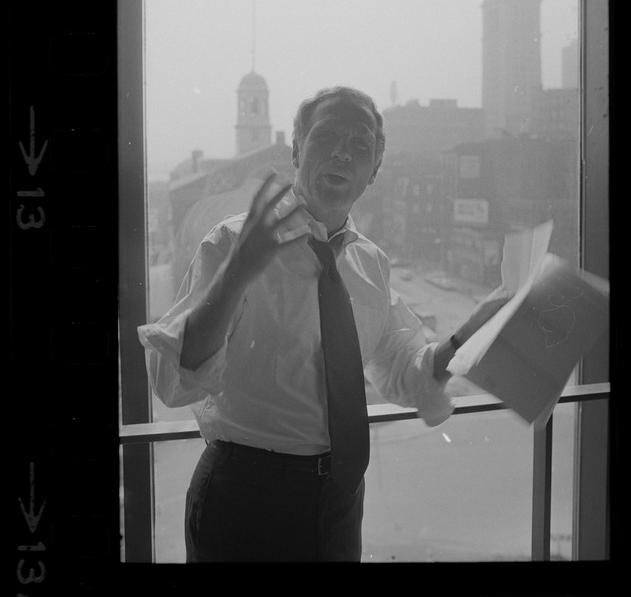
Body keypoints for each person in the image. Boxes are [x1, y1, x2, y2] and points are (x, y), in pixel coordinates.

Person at [138, 86, 508, 562]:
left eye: (361, 144)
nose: (342, 152)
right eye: (326, 136)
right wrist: (237, 275)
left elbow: (404, 369)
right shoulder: (233, 242)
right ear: (296, 147)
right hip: (244, 501)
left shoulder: (369, 263)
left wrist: (475, 325)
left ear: (374, 170)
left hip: (339, 502)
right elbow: (172, 382)